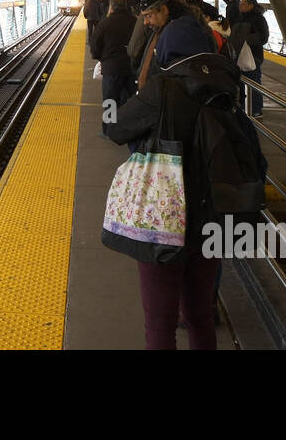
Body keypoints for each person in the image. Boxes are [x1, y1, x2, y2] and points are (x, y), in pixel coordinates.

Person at [107, 23, 233, 350]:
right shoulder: (227, 86)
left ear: (166, 51)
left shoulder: (162, 89)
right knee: (201, 315)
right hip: (213, 219)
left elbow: (116, 128)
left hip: (163, 221)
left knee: (160, 324)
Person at [91, 0, 137, 134]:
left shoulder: (105, 23)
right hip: (130, 67)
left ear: (111, 6)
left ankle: (109, 130)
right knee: (130, 99)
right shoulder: (134, 21)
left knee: (110, 100)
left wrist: (102, 59)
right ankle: (128, 127)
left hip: (111, 69)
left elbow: (95, 46)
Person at [128, 0, 179, 75]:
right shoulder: (190, 18)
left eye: (149, 16)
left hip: (156, 77)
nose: (146, 22)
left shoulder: (164, 27)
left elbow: (133, 49)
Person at [230, 0, 269, 117]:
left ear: (251, 5)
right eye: (240, 4)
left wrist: (245, 40)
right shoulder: (240, 18)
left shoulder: (259, 19)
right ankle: (243, 106)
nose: (240, 7)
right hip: (239, 55)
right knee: (241, 82)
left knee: (253, 81)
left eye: (243, 5)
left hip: (253, 56)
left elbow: (263, 37)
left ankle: (256, 108)